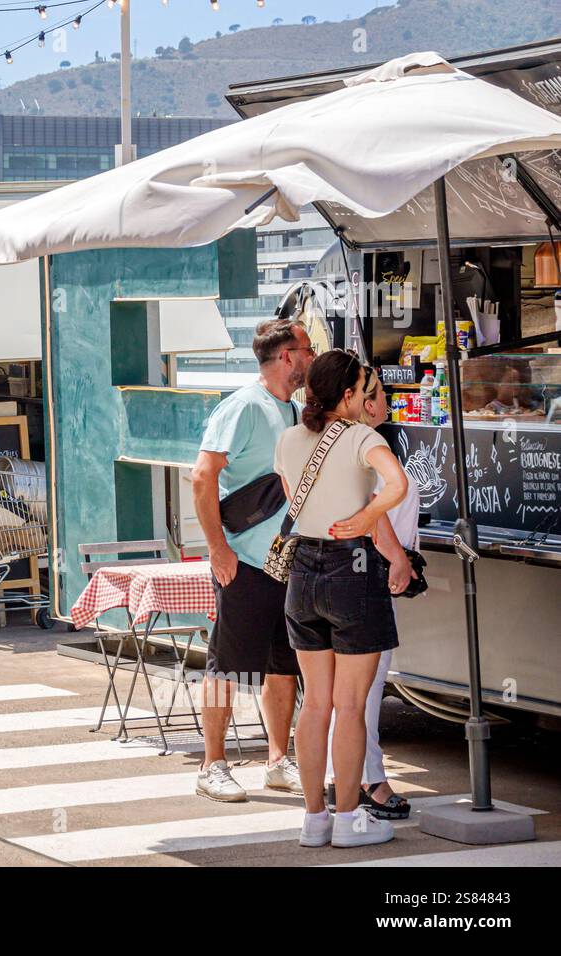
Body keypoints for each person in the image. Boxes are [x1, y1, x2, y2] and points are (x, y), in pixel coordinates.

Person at [274, 350, 409, 848]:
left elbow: (294, 497)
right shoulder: (360, 437)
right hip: (351, 568)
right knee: (351, 706)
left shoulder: (289, 438)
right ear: (348, 394)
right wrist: (365, 518)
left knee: (316, 704)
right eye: (361, 387)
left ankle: (314, 820)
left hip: (302, 573)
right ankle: (351, 819)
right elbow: (397, 484)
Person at [192, 318, 316, 802]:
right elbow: (202, 477)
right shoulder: (243, 407)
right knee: (227, 666)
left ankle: (277, 761)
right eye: (307, 348)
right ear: (287, 356)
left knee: (283, 665)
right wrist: (218, 548)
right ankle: (212, 765)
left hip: (287, 561)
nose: (311, 356)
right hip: (243, 560)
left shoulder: (293, 410)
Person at [323, 371, 417, 819]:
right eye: (374, 393)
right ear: (365, 402)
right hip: (364, 579)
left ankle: (333, 783)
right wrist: (398, 558)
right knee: (365, 694)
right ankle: (370, 780)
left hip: (322, 577)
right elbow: (372, 513)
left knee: (333, 694)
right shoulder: (364, 448)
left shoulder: (319, 442)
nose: (380, 401)